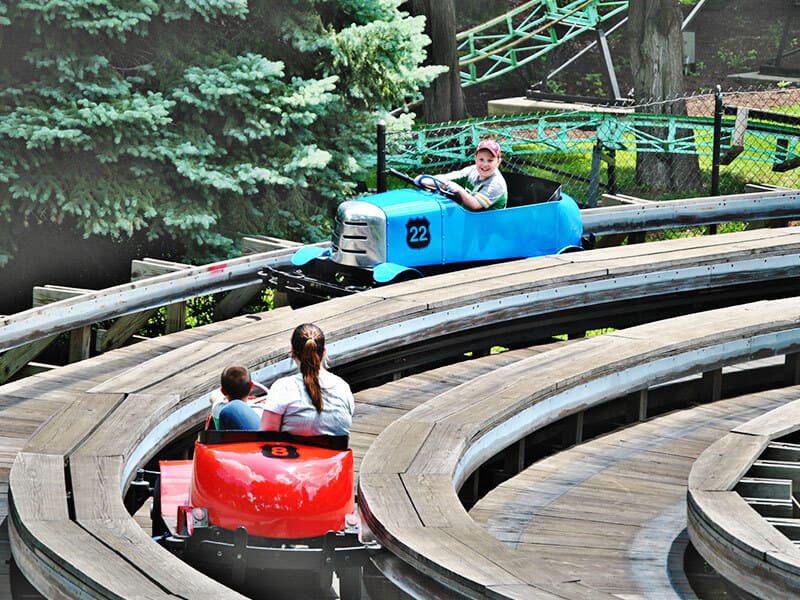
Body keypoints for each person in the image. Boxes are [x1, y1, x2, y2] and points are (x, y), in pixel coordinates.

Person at [260, 323, 354, 437]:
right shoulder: (342, 387)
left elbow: (266, 436)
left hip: (294, 454)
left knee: (236, 408)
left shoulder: (283, 387)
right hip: (332, 454)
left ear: (292, 352)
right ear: (324, 352)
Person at [415, 139, 508, 211]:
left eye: (490, 160)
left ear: (498, 162)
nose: (484, 164)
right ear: (475, 159)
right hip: (467, 218)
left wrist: (458, 189)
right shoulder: (472, 170)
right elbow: (447, 178)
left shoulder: (496, 184)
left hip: (486, 226)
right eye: (481, 159)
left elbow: (474, 205)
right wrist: (425, 180)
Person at [211, 365, 266, 430]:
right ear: (251, 386)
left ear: (223, 391)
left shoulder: (218, 409)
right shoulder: (261, 411)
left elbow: (213, 396)